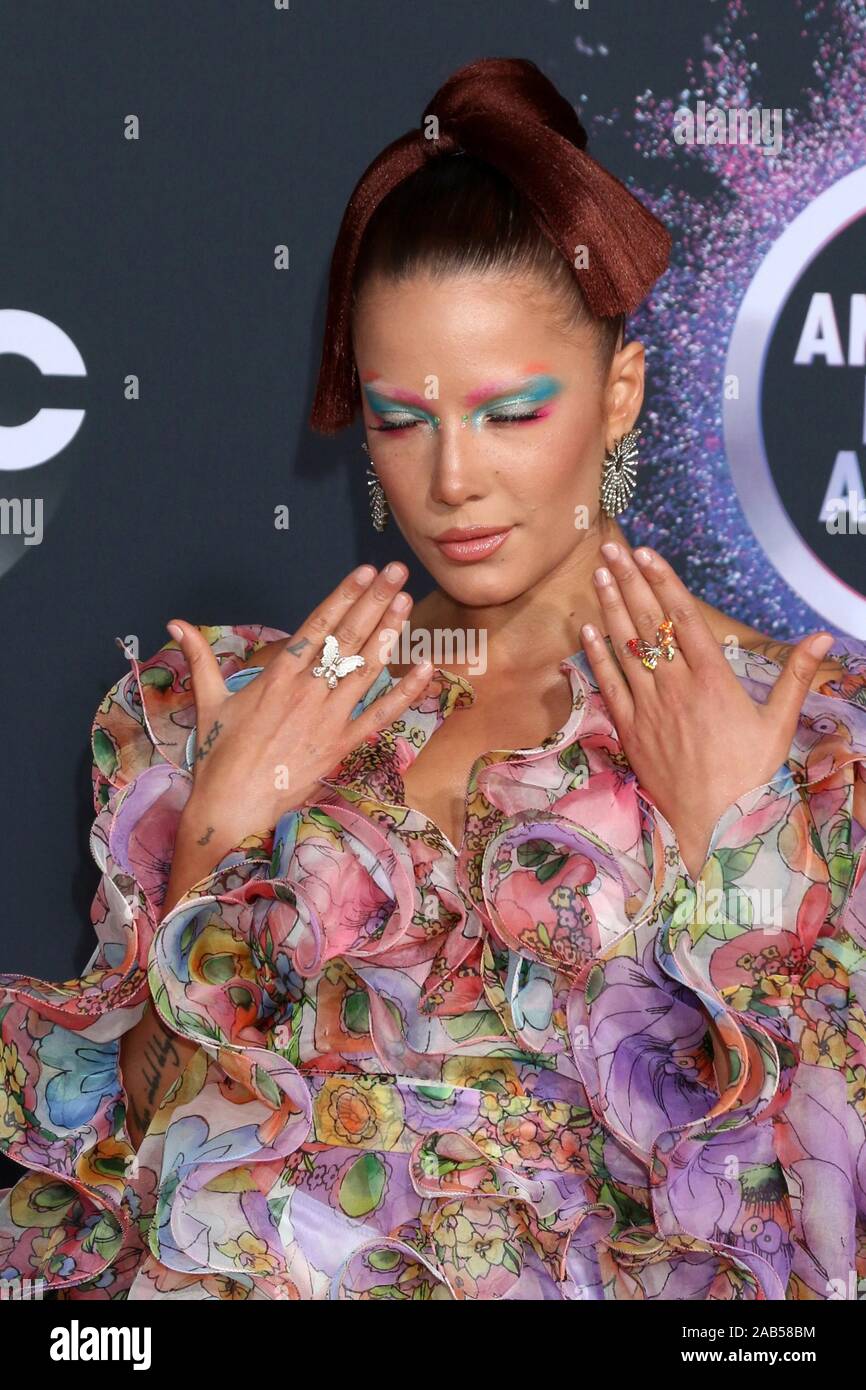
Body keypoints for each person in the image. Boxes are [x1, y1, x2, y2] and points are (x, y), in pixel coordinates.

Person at [2, 57, 865, 1303]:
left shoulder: (802, 734)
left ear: (617, 396)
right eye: (404, 420)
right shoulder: (238, 706)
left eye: (509, 412)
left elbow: (823, 1241)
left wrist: (751, 859)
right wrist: (213, 844)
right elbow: (130, 1154)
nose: (450, 479)